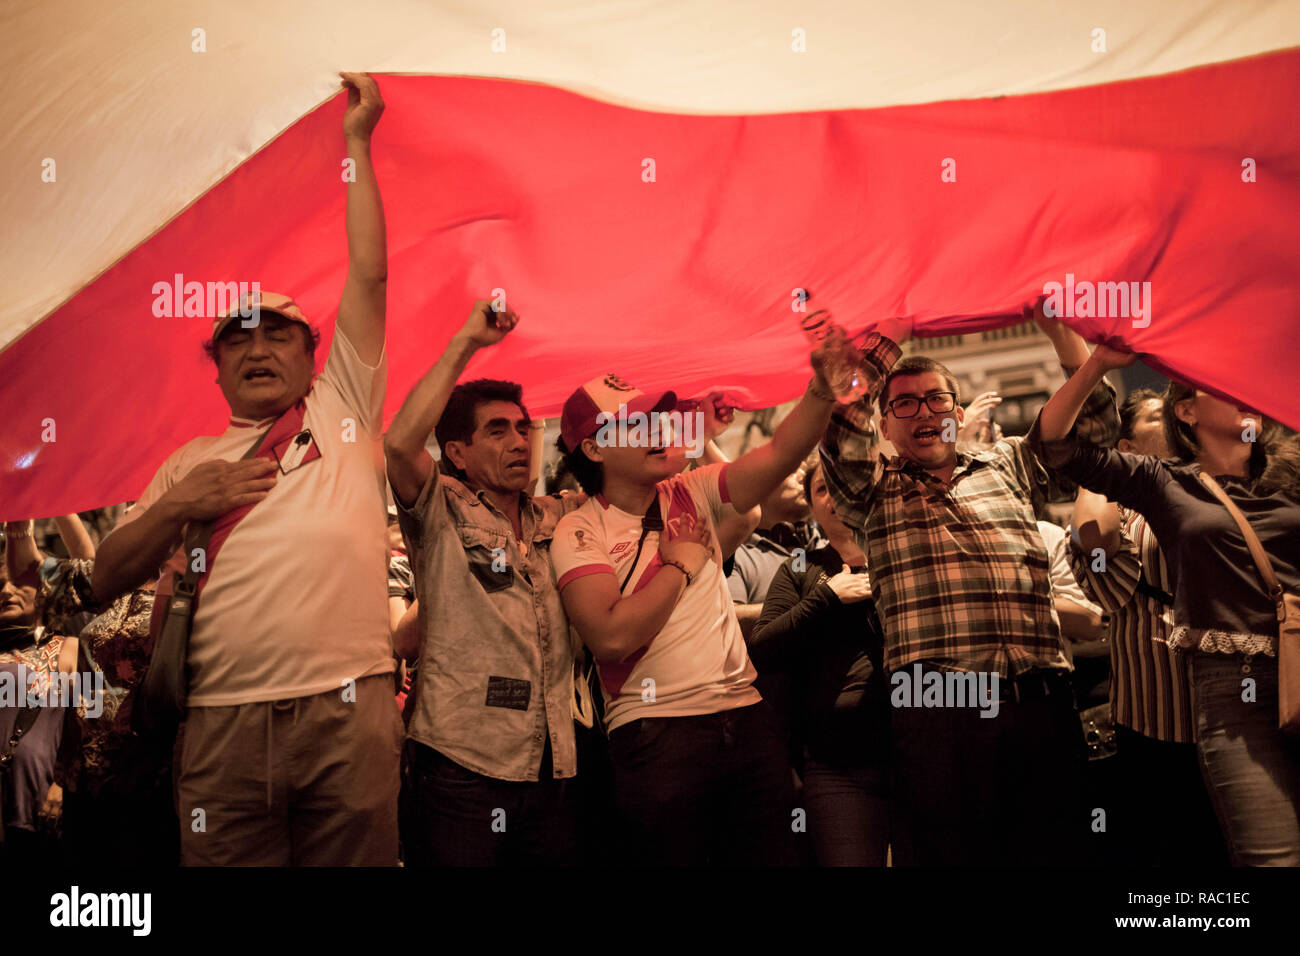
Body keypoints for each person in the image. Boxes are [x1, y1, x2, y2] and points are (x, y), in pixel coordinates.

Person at [90, 73, 398, 866]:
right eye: (237, 340)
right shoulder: (185, 464)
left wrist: (357, 142)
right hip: (220, 722)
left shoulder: (344, 407)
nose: (259, 349)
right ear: (217, 369)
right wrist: (177, 508)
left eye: (278, 335)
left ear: (313, 355)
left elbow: (369, 275)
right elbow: (101, 578)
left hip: (349, 707)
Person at [818, 302, 1119, 866]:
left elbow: (1094, 430)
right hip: (941, 712)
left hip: (1044, 704)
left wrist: (1061, 331)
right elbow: (839, 431)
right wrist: (893, 334)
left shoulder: (1008, 461)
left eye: (937, 398)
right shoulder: (871, 492)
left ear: (957, 410)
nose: (923, 410)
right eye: (903, 403)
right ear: (884, 424)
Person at [550, 341, 838, 866]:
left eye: (657, 419)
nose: (658, 430)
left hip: (747, 721)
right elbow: (612, 638)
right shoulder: (578, 529)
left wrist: (821, 389)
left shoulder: (691, 489)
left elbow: (777, 456)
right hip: (655, 735)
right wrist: (681, 564)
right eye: (636, 425)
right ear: (593, 449)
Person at [1036, 353, 1300, 865]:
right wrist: (1093, 364)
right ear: (1187, 412)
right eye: (1226, 382)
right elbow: (1055, 444)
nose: (1245, 392)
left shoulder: (1290, 471)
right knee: (1274, 857)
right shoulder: (1163, 482)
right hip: (1233, 691)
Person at [384, 300, 590, 866]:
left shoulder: (561, 515)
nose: (520, 441)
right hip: (461, 767)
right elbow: (400, 443)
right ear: (457, 452)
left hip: (555, 763)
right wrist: (466, 343)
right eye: (497, 431)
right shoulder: (440, 508)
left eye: (524, 428)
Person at [1067, 388, 1226, 866]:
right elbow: (1092, 540)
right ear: (1128, 448)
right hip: (1153, 722)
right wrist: (1097, 463)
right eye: (1158, 417)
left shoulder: (1217, 487)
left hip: (1231, 715)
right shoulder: (1125, 511)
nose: (1176, 420)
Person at [751, 461, 890, 866]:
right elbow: (763, 646)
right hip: (837, 766)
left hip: (919, 751)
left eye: (839, 485)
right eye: (820, 490)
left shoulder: (903, 554)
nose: (832, 498)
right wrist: (827, 597)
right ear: (811, 507)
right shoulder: (800, 568)